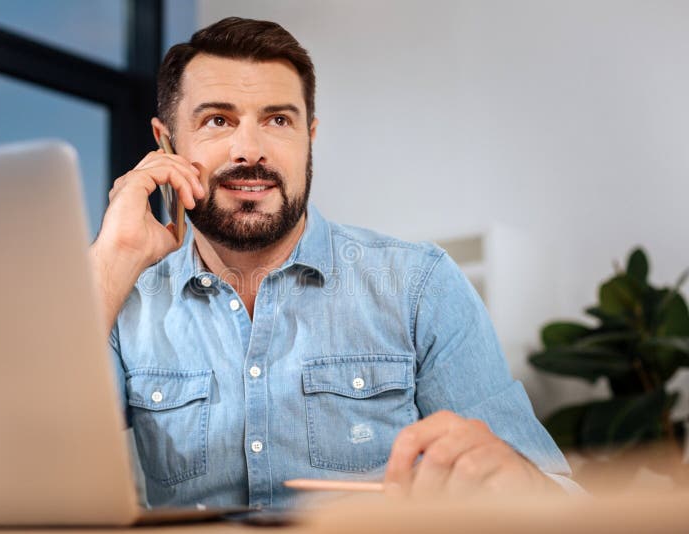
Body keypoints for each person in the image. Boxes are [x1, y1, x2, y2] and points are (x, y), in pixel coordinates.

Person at [89, 17, 575, 509]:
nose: (250, 150)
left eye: (279, 120)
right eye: (218, 120)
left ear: (310, 135)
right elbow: (23, 467)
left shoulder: (419, 285)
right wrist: (112, 259)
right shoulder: (123, 299)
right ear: (165, 141)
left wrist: (515, 481)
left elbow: (560, 497)